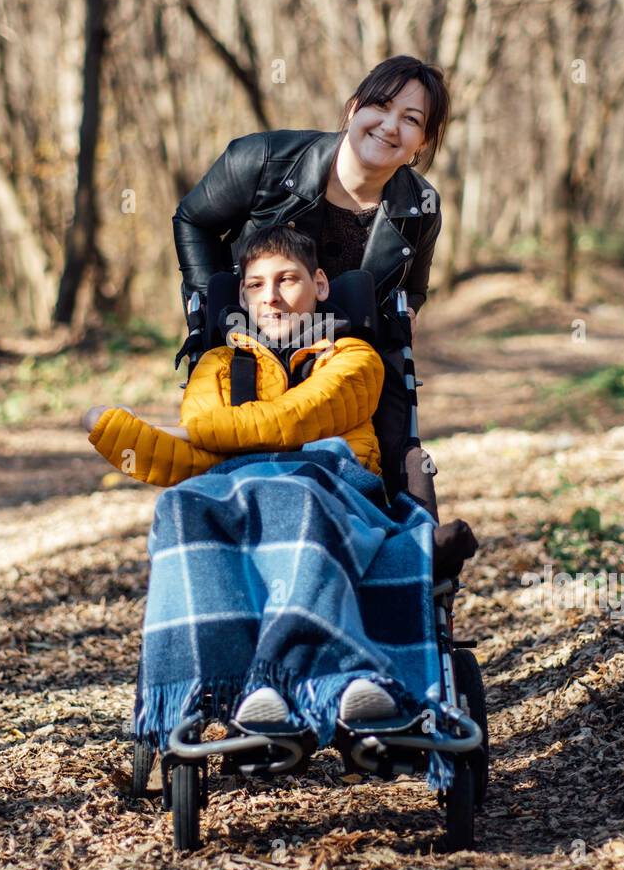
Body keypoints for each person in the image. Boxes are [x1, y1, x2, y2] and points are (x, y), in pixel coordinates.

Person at [83, 226, 477, 741]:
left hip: (335, 490)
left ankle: (329, 675)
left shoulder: (354, 358)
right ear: (242, 295)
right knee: (182, 505)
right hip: (236, 496)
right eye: (255, 284)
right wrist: (119, 434)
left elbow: (294, 422)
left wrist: (196, 431)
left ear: (320, 284)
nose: (270, 296)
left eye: (287, 279)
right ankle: (257, 688)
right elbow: (196, 458)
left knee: (297, 489)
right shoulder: (217, 367)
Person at [171, 54, 450, 515]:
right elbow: (192, 219)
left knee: (379, 449)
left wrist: (411, 310)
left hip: (343, 358)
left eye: (411, 119)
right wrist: (211, 305)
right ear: (353, 108)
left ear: (422, 141)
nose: (389, 126)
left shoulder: (420, 205)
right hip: (255, 336)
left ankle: (405, 542)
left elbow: (413, 286)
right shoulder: (261, 160)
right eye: (379, 106)